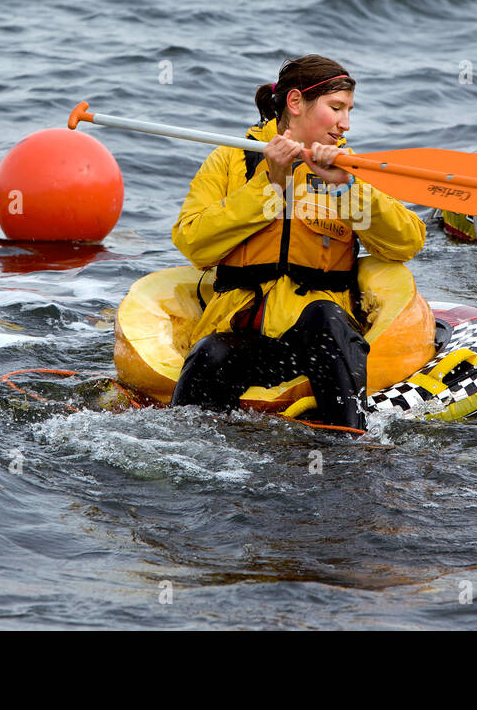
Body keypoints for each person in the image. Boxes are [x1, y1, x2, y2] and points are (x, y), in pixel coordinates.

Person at [169, 55, 426, 431]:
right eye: (336, 108)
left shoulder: (348, 169)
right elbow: (193, 243)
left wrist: (346, 188)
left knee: (325, 318)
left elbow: (406, 243)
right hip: (247, 336)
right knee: (212, 351)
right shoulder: (230, 160)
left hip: (319, 341)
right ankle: (182, 440)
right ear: (295, 103)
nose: (346, 124)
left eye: (349, 110)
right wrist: (270, 184)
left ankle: (351, 442)